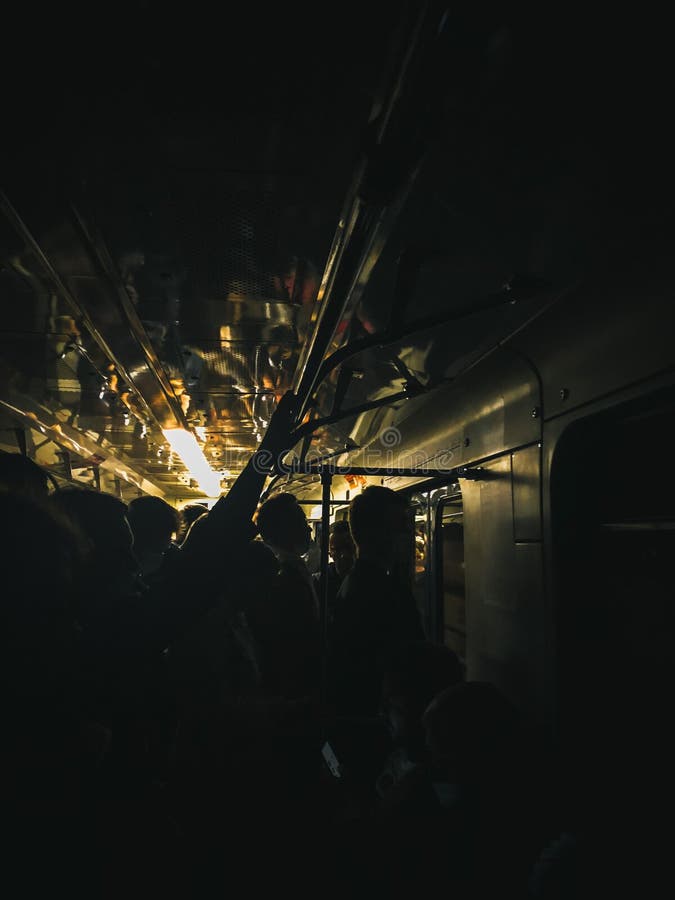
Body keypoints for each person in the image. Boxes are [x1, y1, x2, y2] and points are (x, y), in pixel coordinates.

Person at [326, 486, 425, 716]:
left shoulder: (357, 582)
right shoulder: (382, 591)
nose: (409, 532)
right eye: (401, 524)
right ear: (379, 533)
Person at [314, 520, 356, 629]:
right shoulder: (319, 582)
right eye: (336, 549)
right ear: (329, 552)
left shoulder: (320, 582)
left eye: (348, 548)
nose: (343, 555)